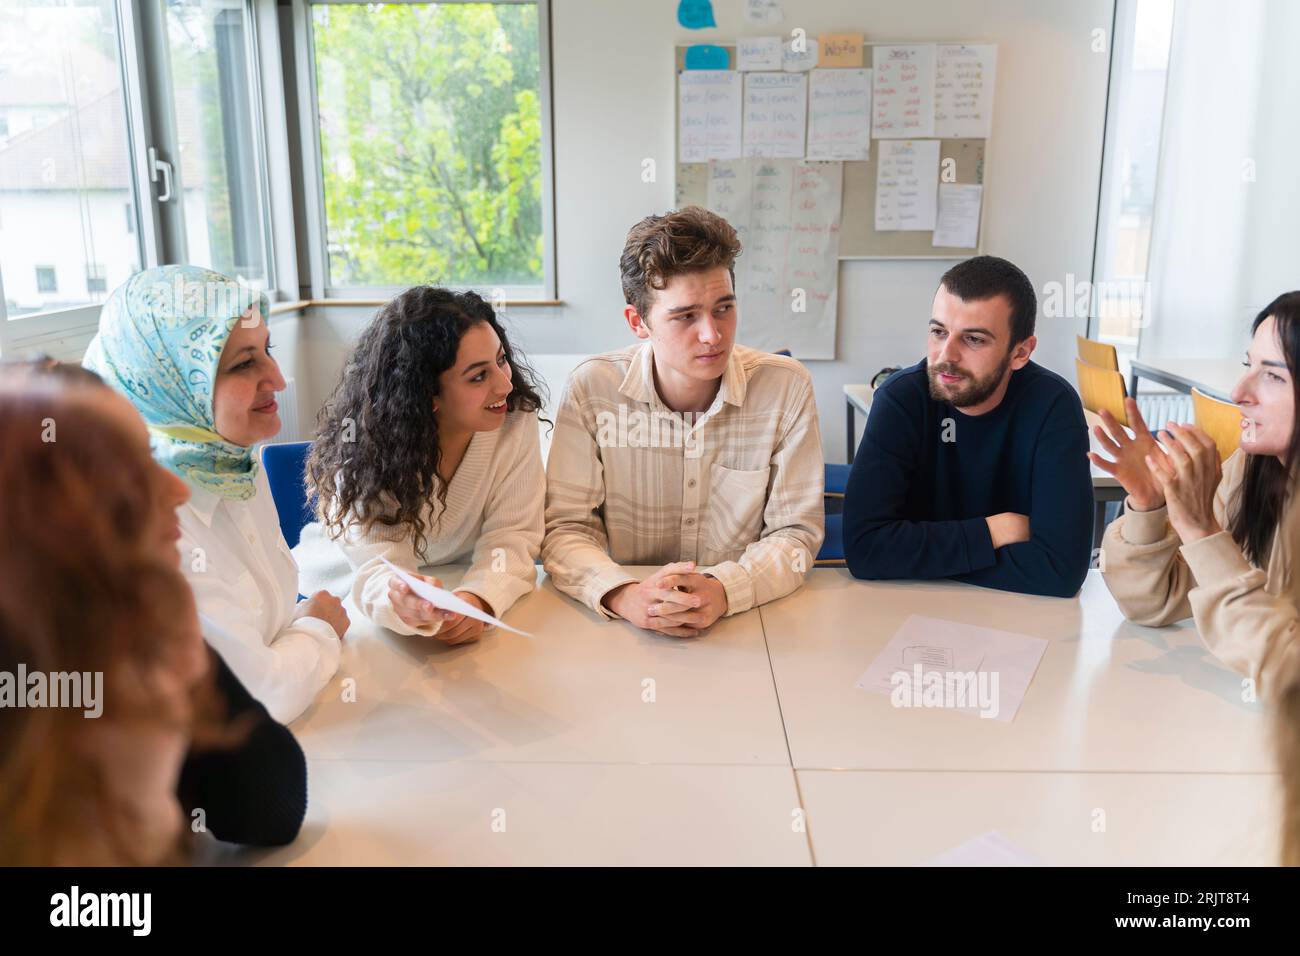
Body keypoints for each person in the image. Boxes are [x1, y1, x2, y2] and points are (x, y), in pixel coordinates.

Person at [0, 359, 310, 862]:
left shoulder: (127, 625)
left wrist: (191, 658)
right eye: (130, 472)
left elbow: (269, 807)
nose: (175, 490)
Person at [542, 206, 824, 637]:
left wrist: (724, 589)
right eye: (685, 316)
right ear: (638, 322)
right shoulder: (593, 388)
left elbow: (796, 535)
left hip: (746, 625)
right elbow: (566, 529)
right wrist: (624, 594)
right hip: (624, 630)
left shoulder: (785, 387)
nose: (713, 334)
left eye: (723, 308)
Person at [83, 265, 348, 723]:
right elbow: (261, 697)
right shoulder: (143, 525)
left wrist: (298, 637)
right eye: (245, 364)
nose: (278, 379)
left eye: (267, 350)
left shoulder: (233, 463)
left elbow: (275, 632)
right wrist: (319, 627)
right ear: (173, 385)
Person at [299, 287, 546, 643]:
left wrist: (480, 598)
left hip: (457, 581)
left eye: (501, 359)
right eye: (478, 376)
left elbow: (513, 537)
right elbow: (376, 569)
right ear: (426, 393)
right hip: (344, 594)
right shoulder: (365, 449)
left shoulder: (514, 420)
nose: (505, 384)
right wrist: (402, 600)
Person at [842, 255, 1092, 598]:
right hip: (907, 609)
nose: (947, 355)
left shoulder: (1053, 407)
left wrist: (918, 553)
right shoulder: (901, 399)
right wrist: (993, 531)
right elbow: (866, 549)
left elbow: (1060, 570)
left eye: (974, 339)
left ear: (1020, 352)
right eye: (938, 332)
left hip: (1020, 622)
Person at [1096, 292, 1300, 698]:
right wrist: (1150, 507)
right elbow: (1155, 604)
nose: (1239, 391)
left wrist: (1200, 528)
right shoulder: (1252, 468)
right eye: (1248, 365)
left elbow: (1287, 674)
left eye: (1273, 376)